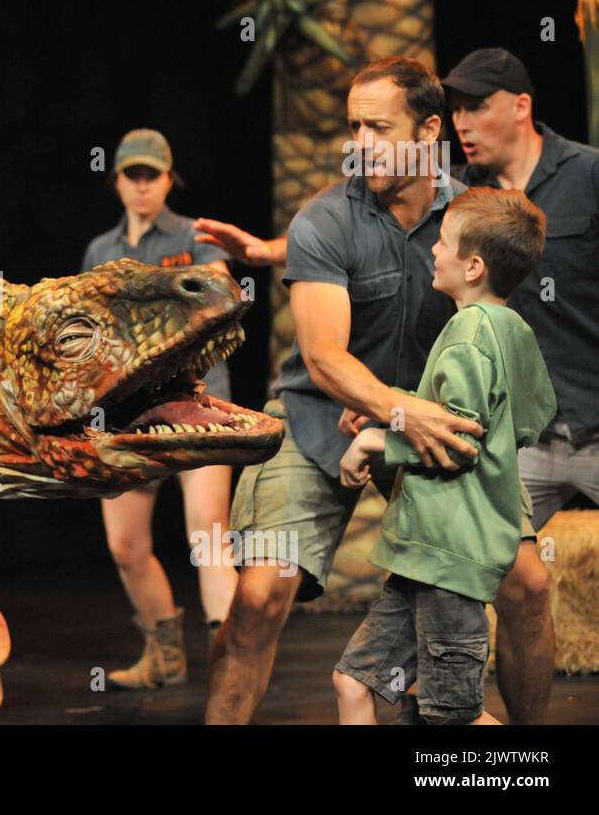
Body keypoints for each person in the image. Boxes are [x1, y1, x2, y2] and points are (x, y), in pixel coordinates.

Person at [199, 57, 555, 725]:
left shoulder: (468, 220)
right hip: (317, 420)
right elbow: (324, 357)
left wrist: (423, 421)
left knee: (528, 584)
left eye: (377, 127)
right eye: (353, 127)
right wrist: (395, 410)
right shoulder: (324, 222)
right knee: (259, 592)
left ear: (427, 131)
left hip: (426, 425)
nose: (359, 144)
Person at [333, 187, 555, 725]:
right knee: (352, 681)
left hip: (449, 556)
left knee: (450, 715)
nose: (433, 249)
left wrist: (374, 441)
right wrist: (394, 411)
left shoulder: (467, 334)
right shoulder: (512, 329)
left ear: (473, 265)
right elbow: (523, 416)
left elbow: (459, 441)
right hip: (427, 552)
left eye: (445, 242)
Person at [80, 128, 238, 687]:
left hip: (196, 402)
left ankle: (228, 662)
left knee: (207, 531)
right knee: (125, 545)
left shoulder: (193, 236)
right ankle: (164, 656)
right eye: (133, 175)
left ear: (170, 179)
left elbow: (221, 291)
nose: (143, 186)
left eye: (153, 175)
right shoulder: (102, 251)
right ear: (117, 180)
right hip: (127, 411)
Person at [442, 48, 599, 529]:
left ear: (521, 106)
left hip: (595, 417)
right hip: (525, 434)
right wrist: (274, 250)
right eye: (457, 109)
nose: (461, 123)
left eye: (477, 106)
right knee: (485, 564)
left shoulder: (587, 174)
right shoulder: (462, 197)